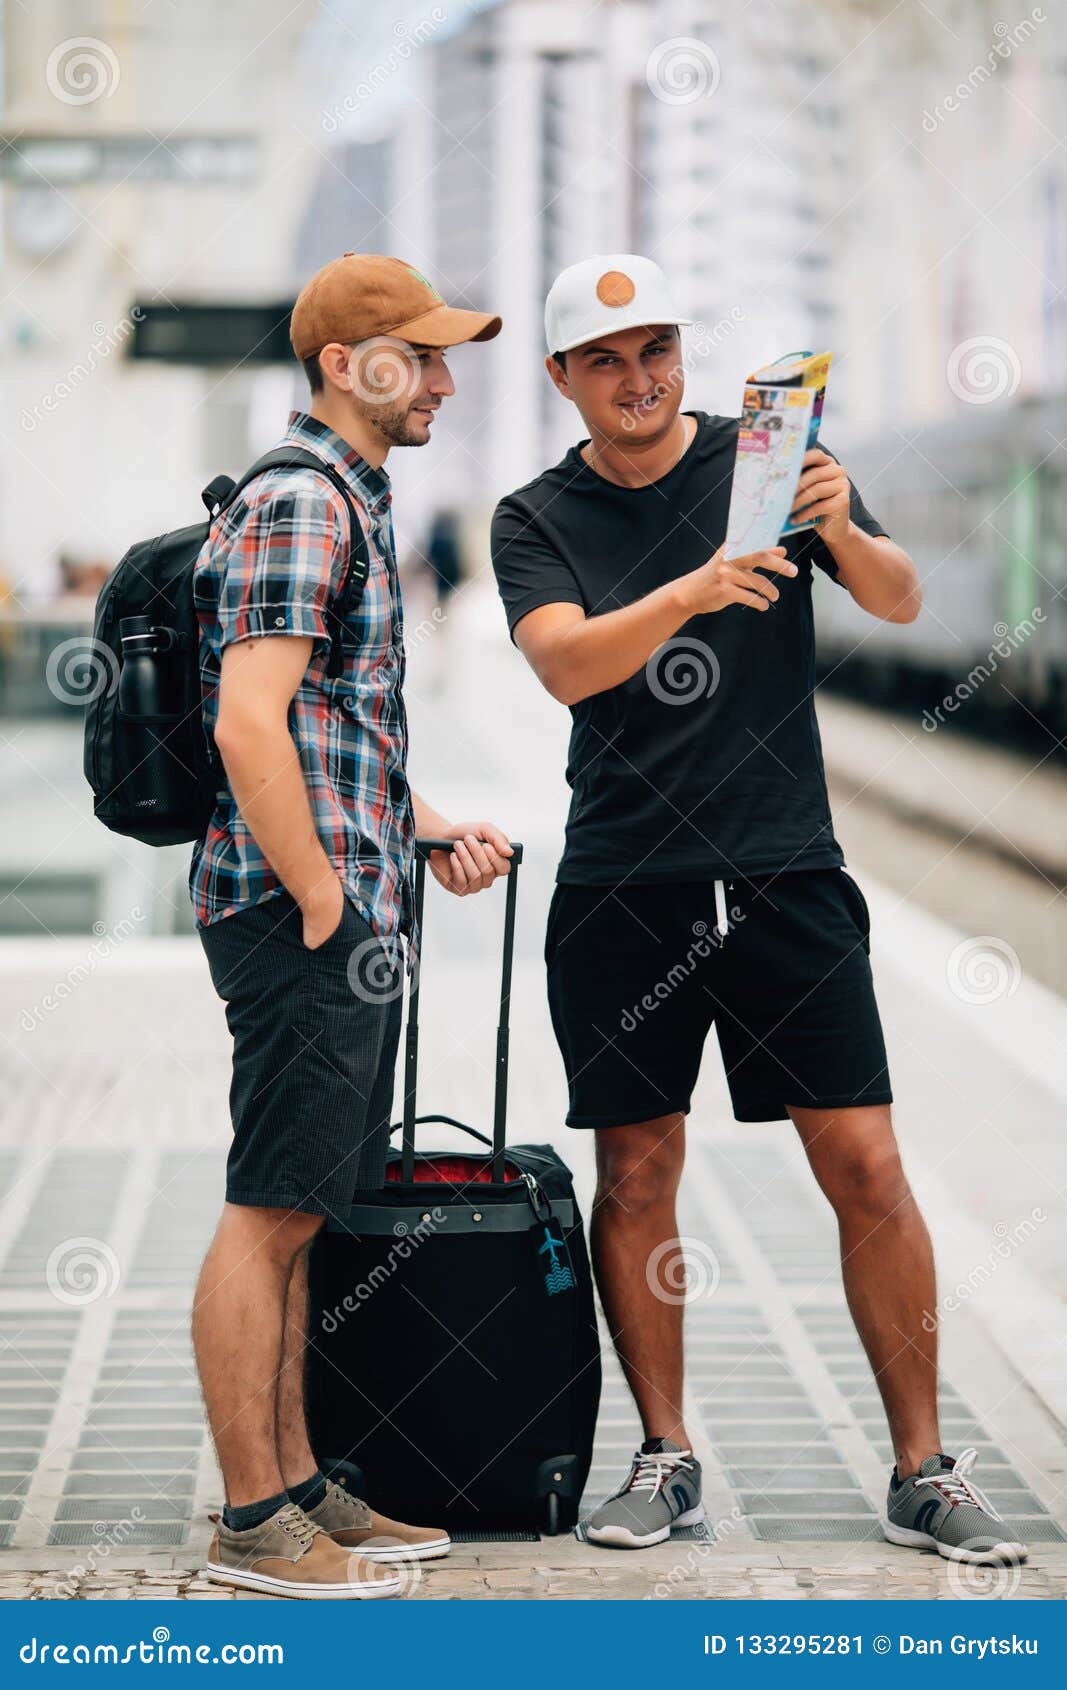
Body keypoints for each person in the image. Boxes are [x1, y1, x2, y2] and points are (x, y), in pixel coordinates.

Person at [490, 253, 1027, 1568]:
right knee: (637, 1174)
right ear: (563, 378)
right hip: (623, 882)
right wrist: (690, 590)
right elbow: (564, 663)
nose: (640, 378)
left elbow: (899, 596)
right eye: (607, 359)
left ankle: (923, 1469)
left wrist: (842, 527)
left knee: (868, 1167)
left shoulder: (771, 461)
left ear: (682, 351)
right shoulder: (533, 515)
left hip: (786, 872)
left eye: (657, 349)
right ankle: (665, 1455)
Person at [191, 254, 513, 1599]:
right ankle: (252, 1521)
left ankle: (298, 1483)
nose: (443, 380)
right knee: (267, 1217)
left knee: (302, 1213)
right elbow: (247, 722)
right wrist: (325, 895)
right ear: (345, 363)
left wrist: (419, 828)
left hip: (339, 907)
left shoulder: (349, 501)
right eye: (420, 356)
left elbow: (334, 732)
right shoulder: (302, 501)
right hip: (299, 919)